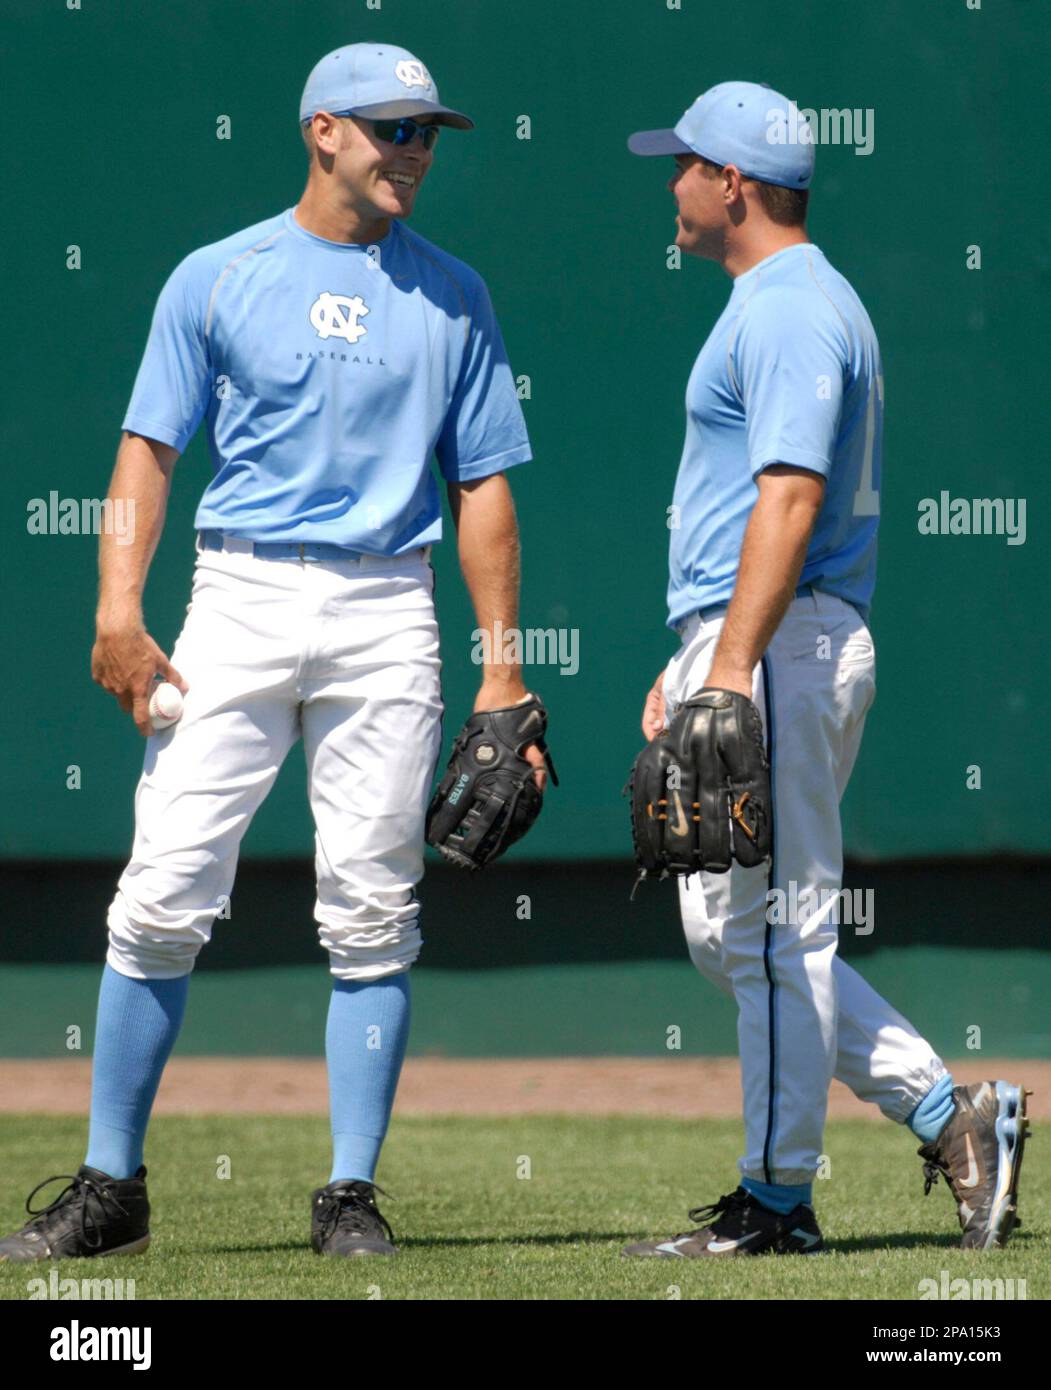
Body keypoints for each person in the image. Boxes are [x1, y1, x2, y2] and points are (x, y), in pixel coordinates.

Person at [0, 42, 545, 1264]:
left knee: (371, 907)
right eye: (391, 128)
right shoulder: (220, 274)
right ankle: (109, 1185)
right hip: (238, 593)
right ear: (322, 132)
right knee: (160, 893)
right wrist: (116, 609)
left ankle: (349, 1194)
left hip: (387, 606)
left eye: (428, 132)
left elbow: (486, 492)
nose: (415, 150)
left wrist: (503, 667)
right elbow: (147, 451)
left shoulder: (453, 292)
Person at [620, 82, 1028, 1258]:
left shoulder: (792, 305)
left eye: (687, 163)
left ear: (734, 183)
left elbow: (789, 498)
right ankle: (957, 1114)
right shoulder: (787, 298)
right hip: (760, 634)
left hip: (785, 640)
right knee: (731, 934)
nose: (673, 182)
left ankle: (777, 1202)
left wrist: (729, 664)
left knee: (773, 934)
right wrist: (696, 648)